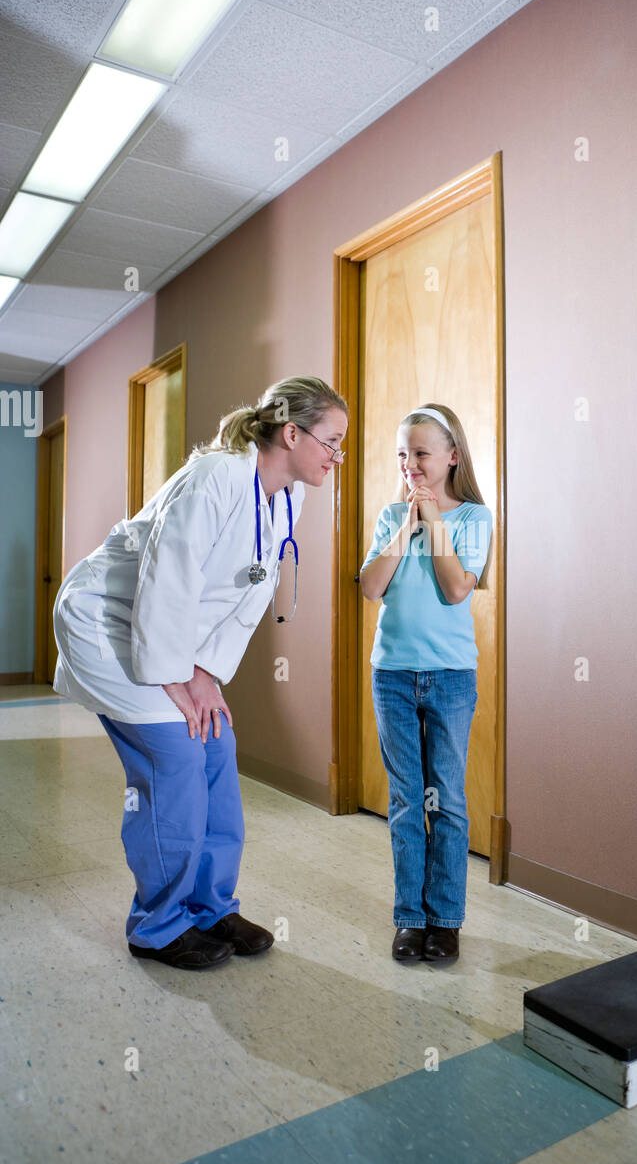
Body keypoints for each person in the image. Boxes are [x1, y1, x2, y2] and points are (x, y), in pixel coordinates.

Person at [52, 376, 348, 970]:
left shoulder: (289, 495)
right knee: (176, 758)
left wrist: (206, 671)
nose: (336, 456)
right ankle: (157, 925)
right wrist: (175, 672)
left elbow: (247, 595)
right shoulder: (216, 476)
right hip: (108, 625)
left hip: (165, 634)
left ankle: (211, 907)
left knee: (214, 743)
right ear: (292, 433)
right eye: (331, 441)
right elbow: (170, 576)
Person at [359, 405, 493, 966]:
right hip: (391, 675)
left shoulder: (473, 519)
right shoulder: (391, 516)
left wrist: (434, 521)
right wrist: (405, 528)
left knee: (449, 799)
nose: (410, 463)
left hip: (449, 679)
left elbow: (458, 587)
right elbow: (370, 588)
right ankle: (409, 919)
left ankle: (445, 920)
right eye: (402, 454)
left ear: (451, 457)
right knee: (407, 799)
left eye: (421, 453)